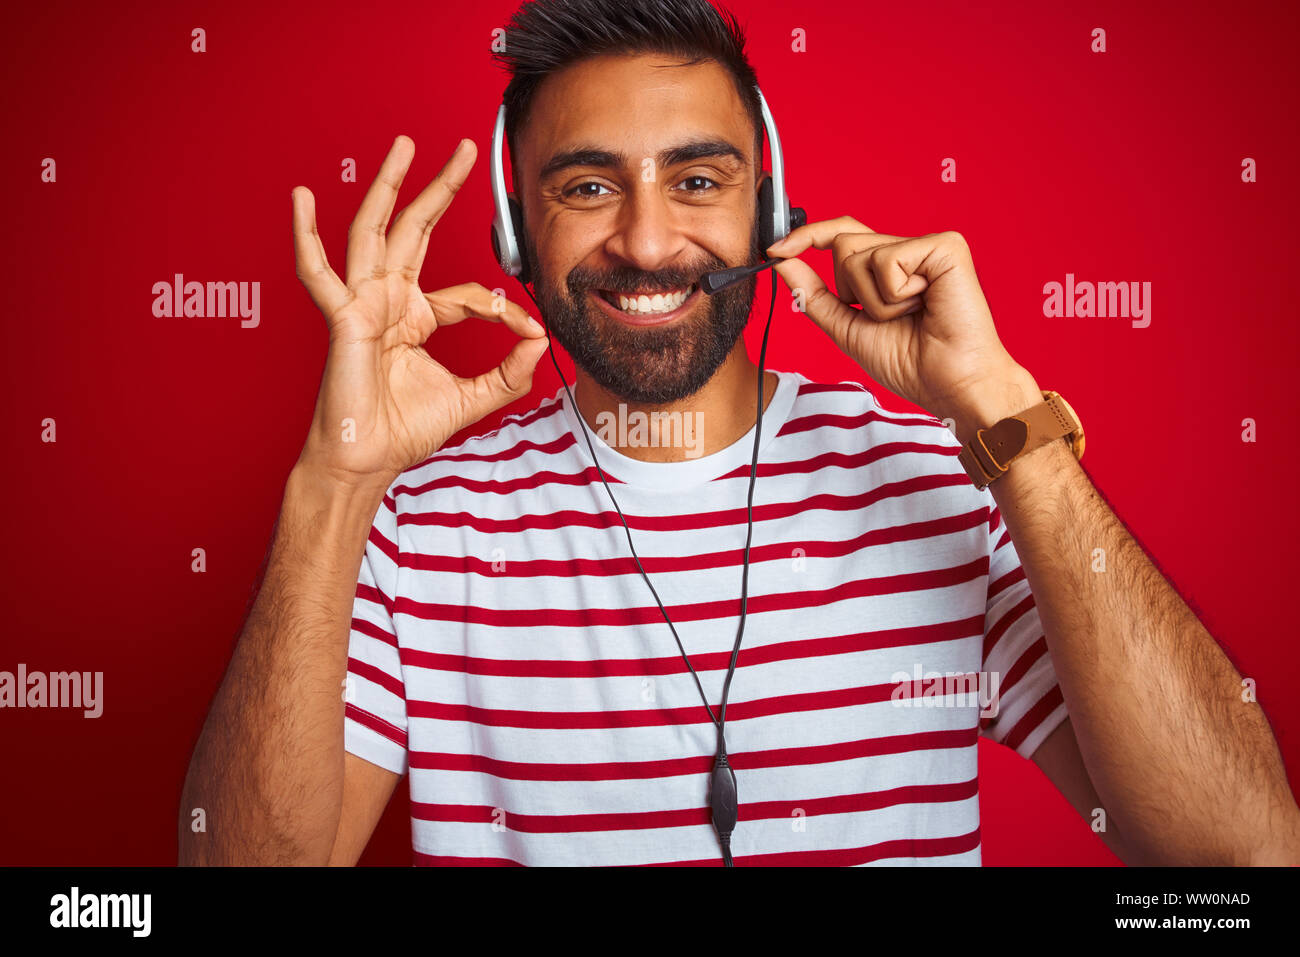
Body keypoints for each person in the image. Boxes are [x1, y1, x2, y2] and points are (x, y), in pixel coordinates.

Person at [179, 0, 1300, 866]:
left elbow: (1237, 854)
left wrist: (1007, 418)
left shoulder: (940, 482)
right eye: (585, 187)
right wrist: (335, 483)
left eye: (699, 178)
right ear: (516, 235)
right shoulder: (418, 524)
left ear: (769, 215)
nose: (651, 240)